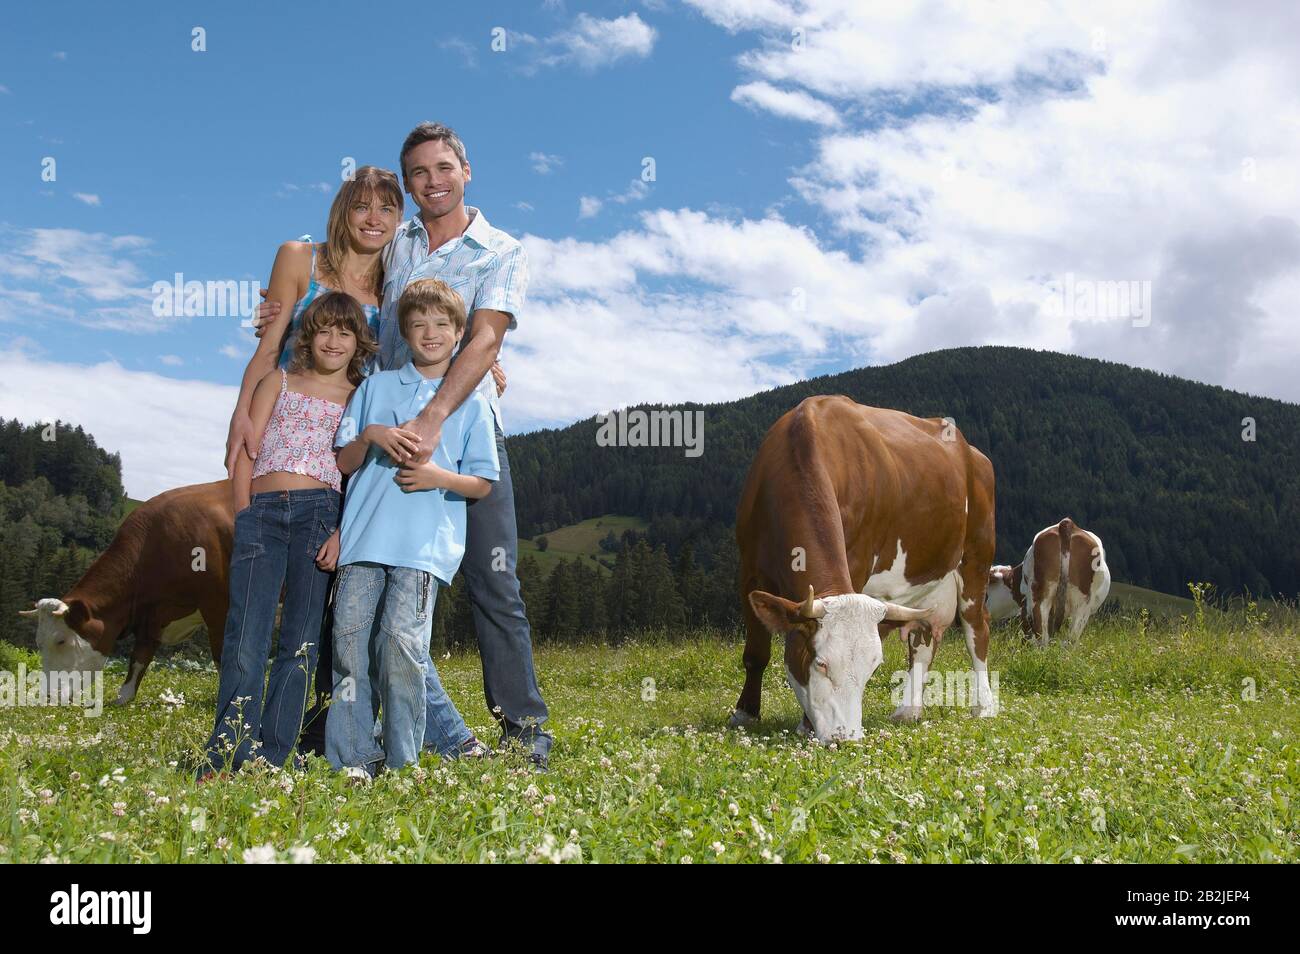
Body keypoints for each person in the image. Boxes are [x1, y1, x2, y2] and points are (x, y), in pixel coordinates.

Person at [257, 123, 552, 769]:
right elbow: (346, 279)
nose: (432, 181)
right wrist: (283, 304)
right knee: (360, 588)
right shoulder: (401, 243)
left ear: (466, 170)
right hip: (381, 439)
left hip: (462, 432)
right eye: (417, 173)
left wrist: (440, 414)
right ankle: (369, 730)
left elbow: (483, 339)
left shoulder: (501, 250)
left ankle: (525, 730)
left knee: (493, 584)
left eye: (443, 167)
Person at [326, 278, 499, 774]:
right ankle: (354, 759)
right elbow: (343, 462)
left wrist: (435, 476)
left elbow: (483, 483)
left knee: (403, 648)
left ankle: (403, 764)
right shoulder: (375, 388)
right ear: (404, 330)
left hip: (422, 548)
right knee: (349, 648)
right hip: (363, 542)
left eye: (441, 324)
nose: (429, 333)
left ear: (460, 332)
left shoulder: (472, 402)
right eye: (418, 323)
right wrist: (372, 434)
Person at [201, 291, 375, 778]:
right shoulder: (276, 381)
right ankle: (226, 752)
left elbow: (361, 474)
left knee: (300, 640)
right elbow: (246, 454)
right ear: (308, 335)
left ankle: (272, 755)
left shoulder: (362, 395)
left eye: (346, 331)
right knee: (245, 634)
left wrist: (342, 531)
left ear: (359, 340)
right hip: (263, 512)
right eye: (325, 329)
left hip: (321, 513)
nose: (334, 340)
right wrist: (244, 514)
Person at [225, 166, 402, 478]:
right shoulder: (297, 258)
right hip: (284, 424)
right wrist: (241, 413)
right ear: (342, 211)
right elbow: (268, 350)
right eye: (361, 207)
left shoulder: (395, 290)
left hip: (351, 437)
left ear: (398, 218)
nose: (374, 220)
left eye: (386, 209)